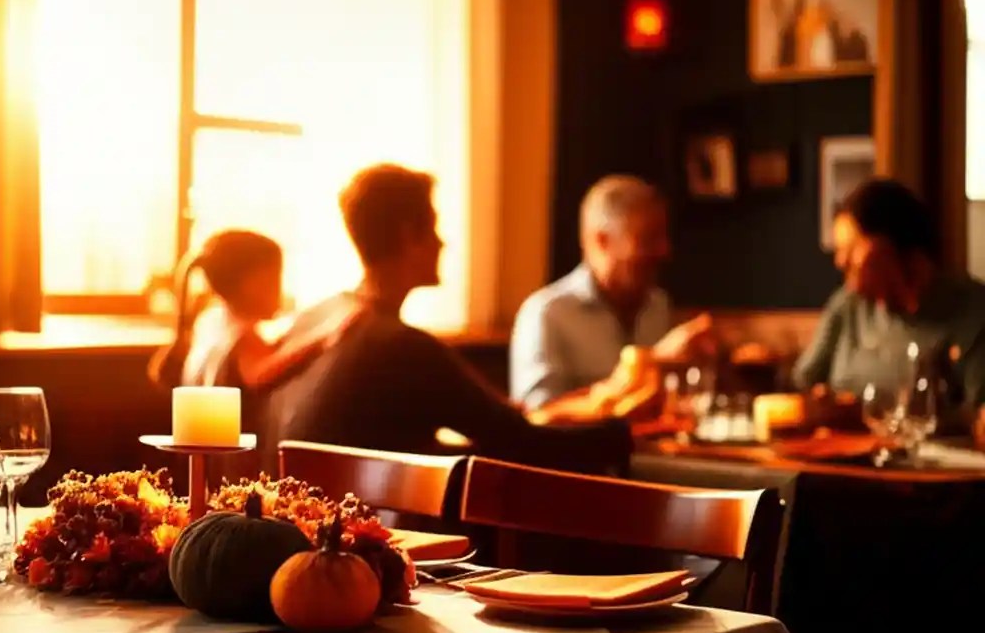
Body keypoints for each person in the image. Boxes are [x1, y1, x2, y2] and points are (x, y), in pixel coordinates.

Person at [263, 164, 630, 475]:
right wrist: (623, 434)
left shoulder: (320, 315)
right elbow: (520, 440)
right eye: (434, 227)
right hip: (365, 543)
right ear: (410, 235)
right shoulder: (399, 346)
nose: (442, 243)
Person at [510, 175, 714, 414]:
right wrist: (652, 360)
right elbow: (538, 415)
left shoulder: (658, 305)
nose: (664, 250)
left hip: (654, 451)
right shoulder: (547, 313)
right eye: (648, 239)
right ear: (602, 241)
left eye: (663, 237)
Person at [794, 179, 985, 432]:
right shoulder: (846, 305)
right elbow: (804, 382)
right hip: (842, 459)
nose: (840, 261)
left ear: (895, 243)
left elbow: (977, 417)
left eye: (852, 249)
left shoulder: (971, 309)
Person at [148, 230, 284, 391]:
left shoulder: (207, 321)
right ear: (250, 285)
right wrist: (316, 339)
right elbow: (258, 374)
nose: (279, 291)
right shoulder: (244, 338)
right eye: (273, 280)